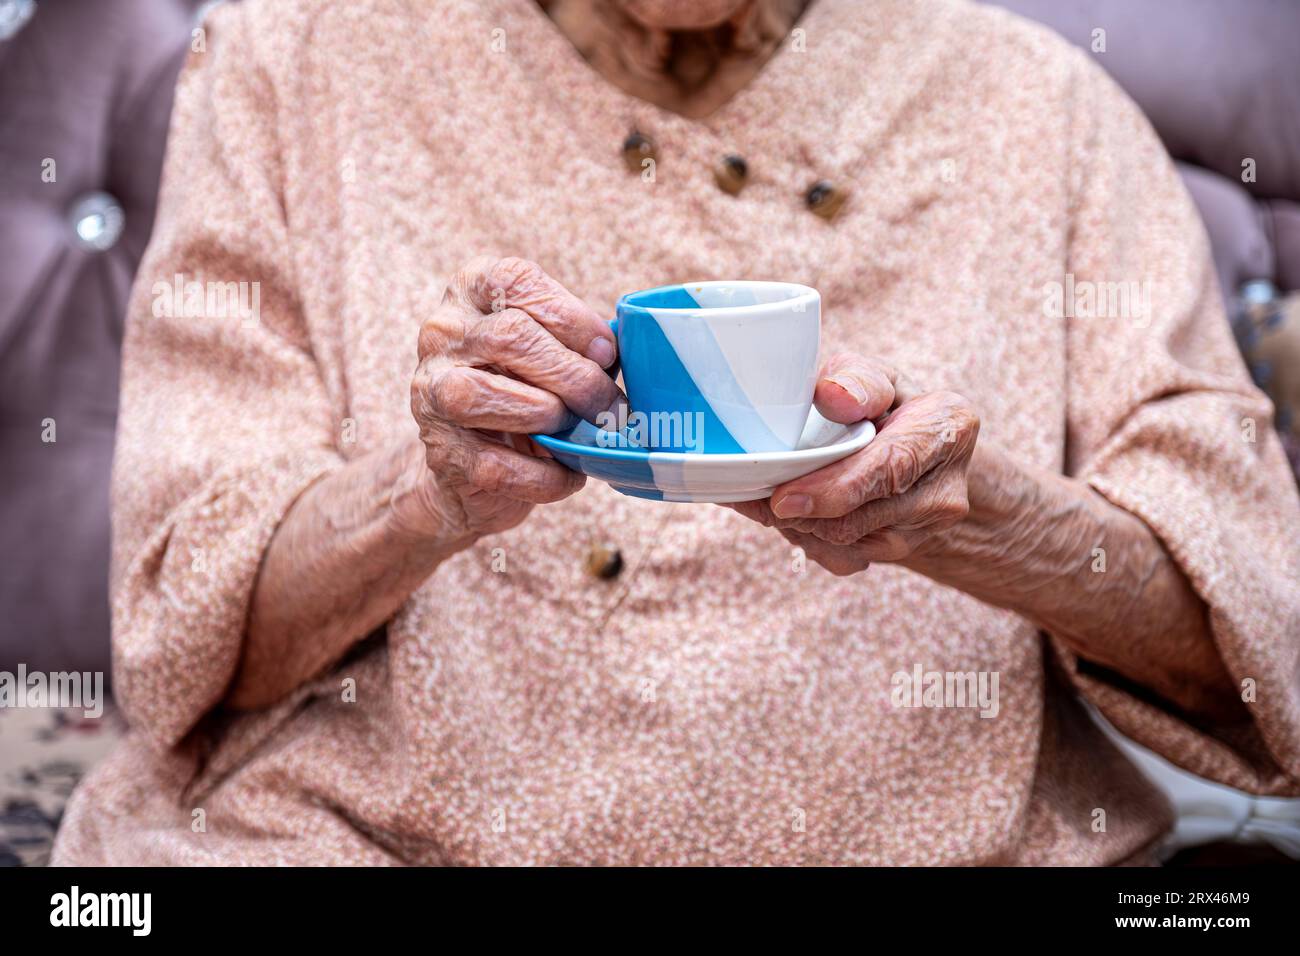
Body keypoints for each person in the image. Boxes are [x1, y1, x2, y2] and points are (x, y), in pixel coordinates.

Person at [54, 0, 1300, 865]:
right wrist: (425, 495)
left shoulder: (1043, 106)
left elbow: (1261, 652)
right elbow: (183, 638)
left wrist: (985, 517)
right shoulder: (285, 67)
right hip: (357, 842)